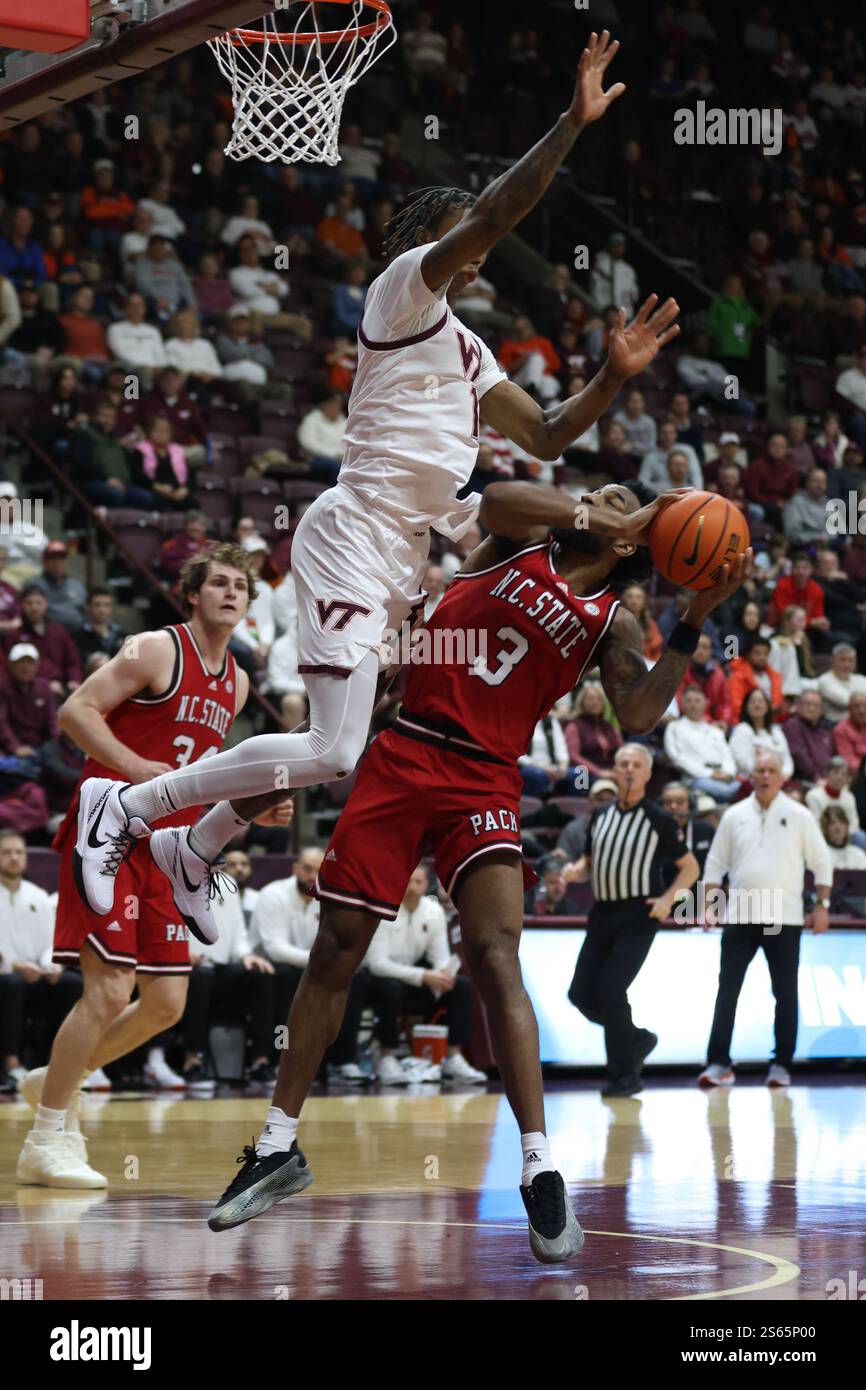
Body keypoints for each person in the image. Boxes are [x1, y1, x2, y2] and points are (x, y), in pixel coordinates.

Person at [74, 31, 687, 960]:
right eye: (465, 239)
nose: (478, 255)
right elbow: (493, 211)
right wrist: (570, 123)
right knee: (333, 751)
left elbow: (550, 435)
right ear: (432, 242)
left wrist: (610, 374)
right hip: (353, 533)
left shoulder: (472, 351)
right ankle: (130, 807)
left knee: (334, 746)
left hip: (407, 556)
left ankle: (192, 844)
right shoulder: (400, 293)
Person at [201, 463, 750, 1257]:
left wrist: (695, 619)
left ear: (639, 547)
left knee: (497, 957)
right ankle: (279, 1147)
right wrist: (604, 515)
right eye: (599, 498)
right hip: (407, 746)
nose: (602, 500)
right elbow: (495, 498)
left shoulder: (613, 621)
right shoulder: (517, 538)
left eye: (621, 500)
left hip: (486, 774)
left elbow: (635, 710)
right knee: (337, 948)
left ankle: (538, 1169)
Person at [15, 543, 291, 1188]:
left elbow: (202, 771)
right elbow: (75, 710)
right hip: (107, 827)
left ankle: (59, 1076)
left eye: (240, 587)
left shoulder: (240, 680)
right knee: (108, 991)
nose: (230, 592)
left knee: (166, 1003)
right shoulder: (155, 648)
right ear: (191, 594)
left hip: (168, 847)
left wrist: (250, 807)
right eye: (217, 583)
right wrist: (134, 766)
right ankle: (47, 1137)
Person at [566, 744, 699, 1095]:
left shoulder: (658, 819)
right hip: (602, 914)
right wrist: (572, 871)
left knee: (611, 990)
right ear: (614, 769)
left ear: (647, 774)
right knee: (579, 994)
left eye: (635, 765)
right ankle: (637, 1040)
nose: (628, 770)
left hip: (639, 915)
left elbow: (690, 868)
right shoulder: (601, 815)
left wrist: (669, 899)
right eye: (622, 764)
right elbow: (589, 864)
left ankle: (625, 1076)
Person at [698, 750, 833, 1088]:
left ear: (782, 777)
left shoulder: (800, 815)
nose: (765, 775)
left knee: (785, 993)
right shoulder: (734, 815)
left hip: (783, 918)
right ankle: (718, 1063)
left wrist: (822, 905)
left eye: (771, 770)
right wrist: (711, 904)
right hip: (740, 916)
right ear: (752, 775)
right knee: (727, 991)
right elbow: (715, 863)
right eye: (759, 769)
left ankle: (781, 1065)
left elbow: (822, 863)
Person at [365, 864, 486, 1083]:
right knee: (389, 987)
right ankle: (387, 1058)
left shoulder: (432, 908)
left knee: (461, 985)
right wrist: (424, 976)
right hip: (375, 981)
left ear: (426, 885)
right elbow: (377, 964)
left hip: (413, 978)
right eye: (407, 881)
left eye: (418, 882)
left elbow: (440, 956)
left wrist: (443, 974)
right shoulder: (383, 907)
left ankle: (454, 1057)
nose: (412, 887)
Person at [0, 830, 81, 1094]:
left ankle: (57, 1064)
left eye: (19, 852)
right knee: (11, 984)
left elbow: (50, 942)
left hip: (35, 975)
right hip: (8, 976)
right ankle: (11, 1065)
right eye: (7, 852)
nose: (14, 858)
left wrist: (51, 964)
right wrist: (13, 965)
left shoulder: (38, 896)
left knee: (72, 983)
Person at [664, 687, 741, 801]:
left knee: (745, 787)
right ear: (682, 703)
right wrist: (710, 774)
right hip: (695, 779)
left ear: (705, 703)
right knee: (731, 791)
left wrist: (728, 773)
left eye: (697, 700)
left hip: (724, 777)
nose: (693, 704)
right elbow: (677, 758)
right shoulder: (675, 727)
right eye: (689, 701)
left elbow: (727, 756)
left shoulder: (714, 730)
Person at [729, 688, 794, 780]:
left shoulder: (776, 731)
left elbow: (787, 759)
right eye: (752, 701)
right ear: (746, 707)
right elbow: (743, 763)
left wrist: (785, 774)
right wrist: (768, 775)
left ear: (767, 706)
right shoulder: (741, 730)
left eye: (760, 701)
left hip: (780, 780)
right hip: (751, 781)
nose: (757, 704)